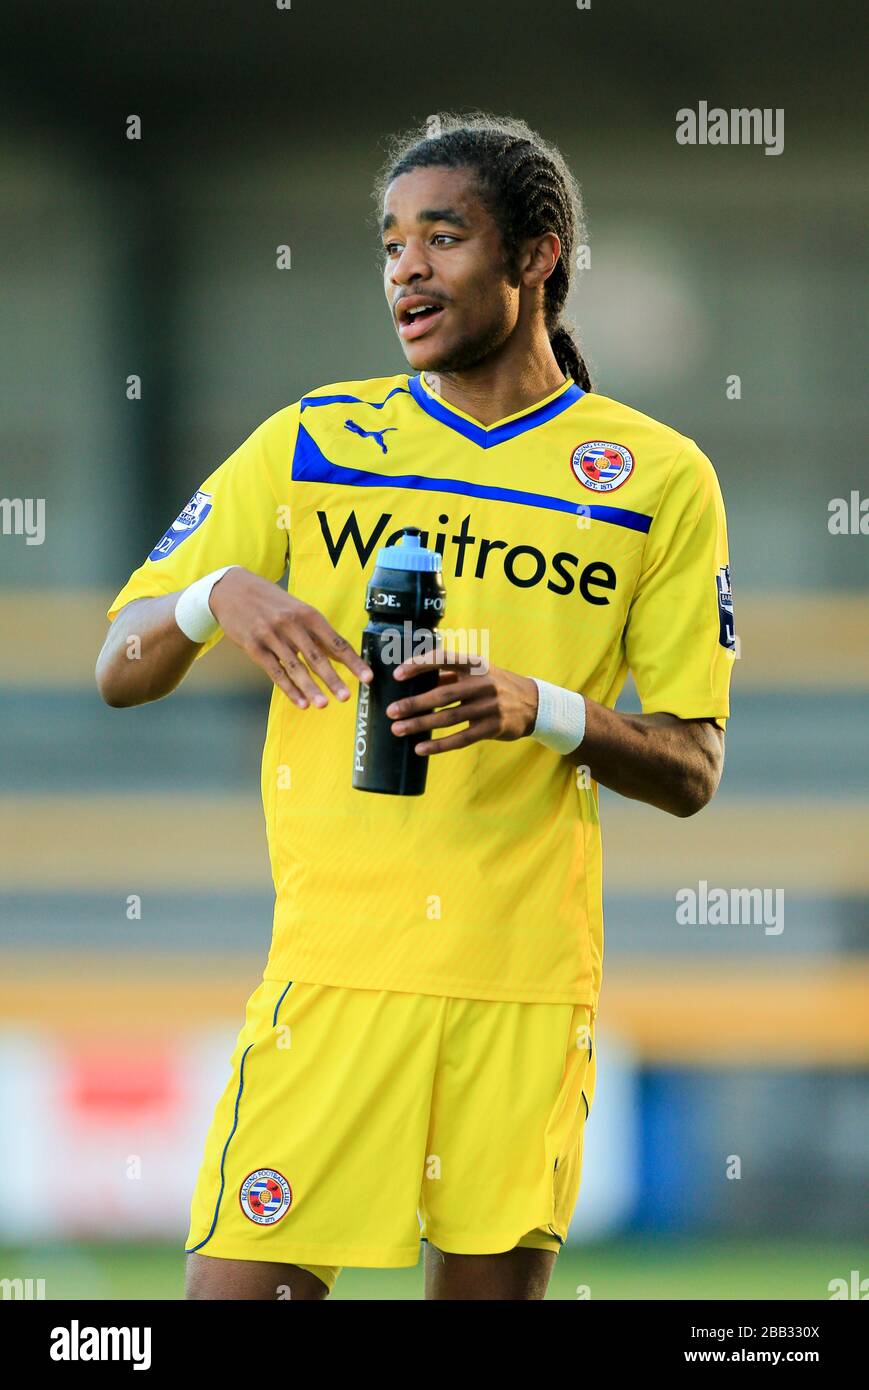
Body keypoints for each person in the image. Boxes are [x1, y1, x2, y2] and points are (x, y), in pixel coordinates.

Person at [95, 112, 734, 1301]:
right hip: (332, 976)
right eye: (390, 242)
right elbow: (117, 662)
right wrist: (209, 599)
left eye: (442, 236)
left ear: (535, 256)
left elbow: (689, 766)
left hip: (522, 987)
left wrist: (539, 707)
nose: (406, 267)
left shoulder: (654, 478)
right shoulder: (315, 441)